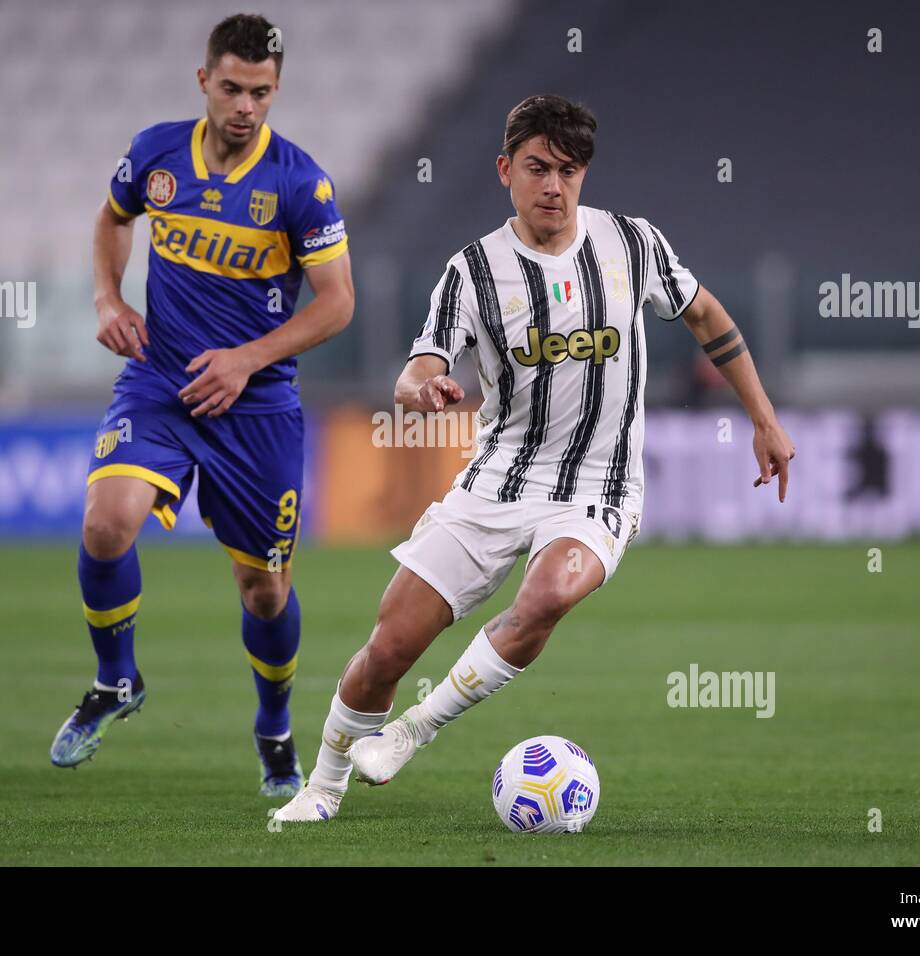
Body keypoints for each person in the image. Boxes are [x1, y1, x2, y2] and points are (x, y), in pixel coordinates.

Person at [275, 94, 794, 821]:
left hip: (600, 487)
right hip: (496, 479)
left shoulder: (632, 244)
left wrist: (764, 420)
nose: (555, 185)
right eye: (538, 168)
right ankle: (323, 785)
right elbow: (418, 365)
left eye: (570, 170)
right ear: (505, 170)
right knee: (391, 644)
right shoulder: (473, 272)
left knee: (549, 596)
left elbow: (706, 314)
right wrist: (422, 392)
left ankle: (413, 731)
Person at [49, 14, 355, 799]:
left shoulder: (299, 182)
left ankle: (276, 728)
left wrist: (247, 359)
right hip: (160, 382)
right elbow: (113, 218)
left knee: (264, 590)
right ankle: (117, 681)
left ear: (276, 89)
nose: (246, 105)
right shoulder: (156, 152)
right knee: (104, 522)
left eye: (261, 92)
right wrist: (108, 296)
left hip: (256, 408)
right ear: (203, 82)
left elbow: (338, 304)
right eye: (231, 88)